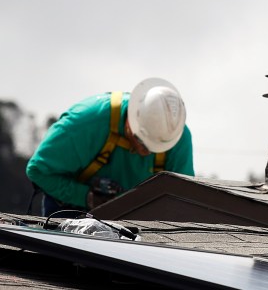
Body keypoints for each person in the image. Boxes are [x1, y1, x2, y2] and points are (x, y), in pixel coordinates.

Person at [27, 78, 193, 215]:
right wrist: (86, 197)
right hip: (70, 212)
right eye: (142, 143)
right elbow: (38, 170)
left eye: (154, 148)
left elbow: (183, 200)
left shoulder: (176, 137)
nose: (145, 152)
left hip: (138, 220)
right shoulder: (86, 122)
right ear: (131, 122)